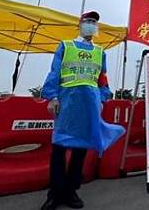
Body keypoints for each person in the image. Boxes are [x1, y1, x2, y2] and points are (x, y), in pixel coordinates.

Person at [40, 11, 125, 210]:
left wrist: (103, 98)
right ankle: (55, 194)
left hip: (89, 105)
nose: (91, 25)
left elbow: (102, 79)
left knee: (80, 149)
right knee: (59, 148)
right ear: (80, 24)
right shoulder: (66, 46)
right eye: (88, 21)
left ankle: (71, 191)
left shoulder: (100, 52)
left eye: (94, 22)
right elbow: (55, 71)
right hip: (67, 103)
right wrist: (52, 97)